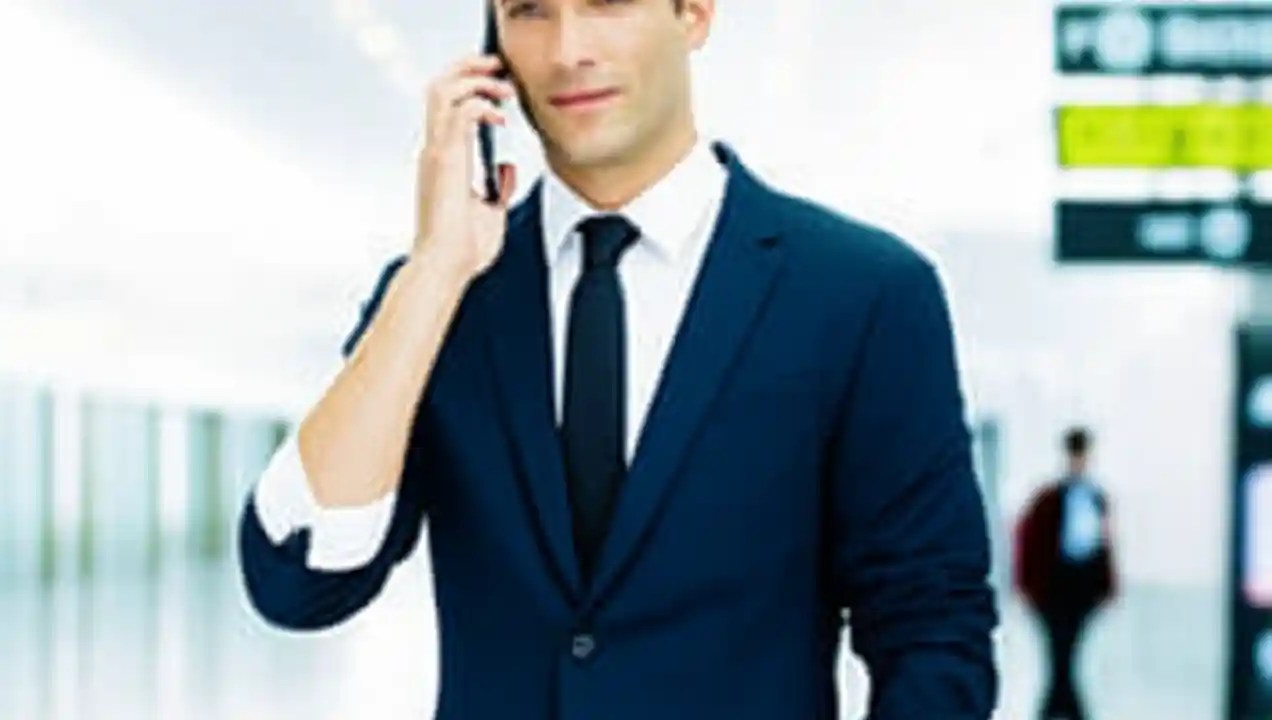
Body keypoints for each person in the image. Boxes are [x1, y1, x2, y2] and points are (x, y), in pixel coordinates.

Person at [237, 1, 998, 717]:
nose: (569, 51)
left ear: (693, 12)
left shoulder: (861, 295)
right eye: (530, 11)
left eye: (607, 2)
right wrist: (434, 268)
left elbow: (932, 634)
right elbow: (296, 581)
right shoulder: (443, 300)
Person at [1014, 427, 1118, 720]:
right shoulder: (1049, 499)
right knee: (1061, 658)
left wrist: (1107, 587)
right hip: (1052, 592)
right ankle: (1068, 713)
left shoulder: (1096, 498)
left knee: (1065, 658)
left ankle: (1057, 712)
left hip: (1083, 591)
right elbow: (1029, 542)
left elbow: (1103, 546)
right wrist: (1028, 588)